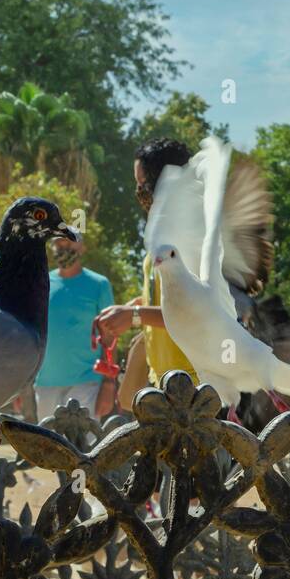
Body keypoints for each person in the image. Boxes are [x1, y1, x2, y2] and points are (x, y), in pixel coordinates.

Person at [94, 138, 196, 385]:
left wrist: (135, 316)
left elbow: (193, 313)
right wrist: (130, 310)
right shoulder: (162, 234)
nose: (138, 193)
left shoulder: (192, 235)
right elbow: (169, 298)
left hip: (197, 385)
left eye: (143, 184)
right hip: (166, 380)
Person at [34, 235, 117, 421]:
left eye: (69, 241)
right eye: (58, 241)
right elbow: (32, 335)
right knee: (47, 447)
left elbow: (110, 336)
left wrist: (109, 385)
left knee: (81, 448)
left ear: (82, 248)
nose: (62, 245)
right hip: (45, 383)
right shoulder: (41, 284)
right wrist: (22, 386)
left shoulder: (99, 285)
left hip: (88, 381)